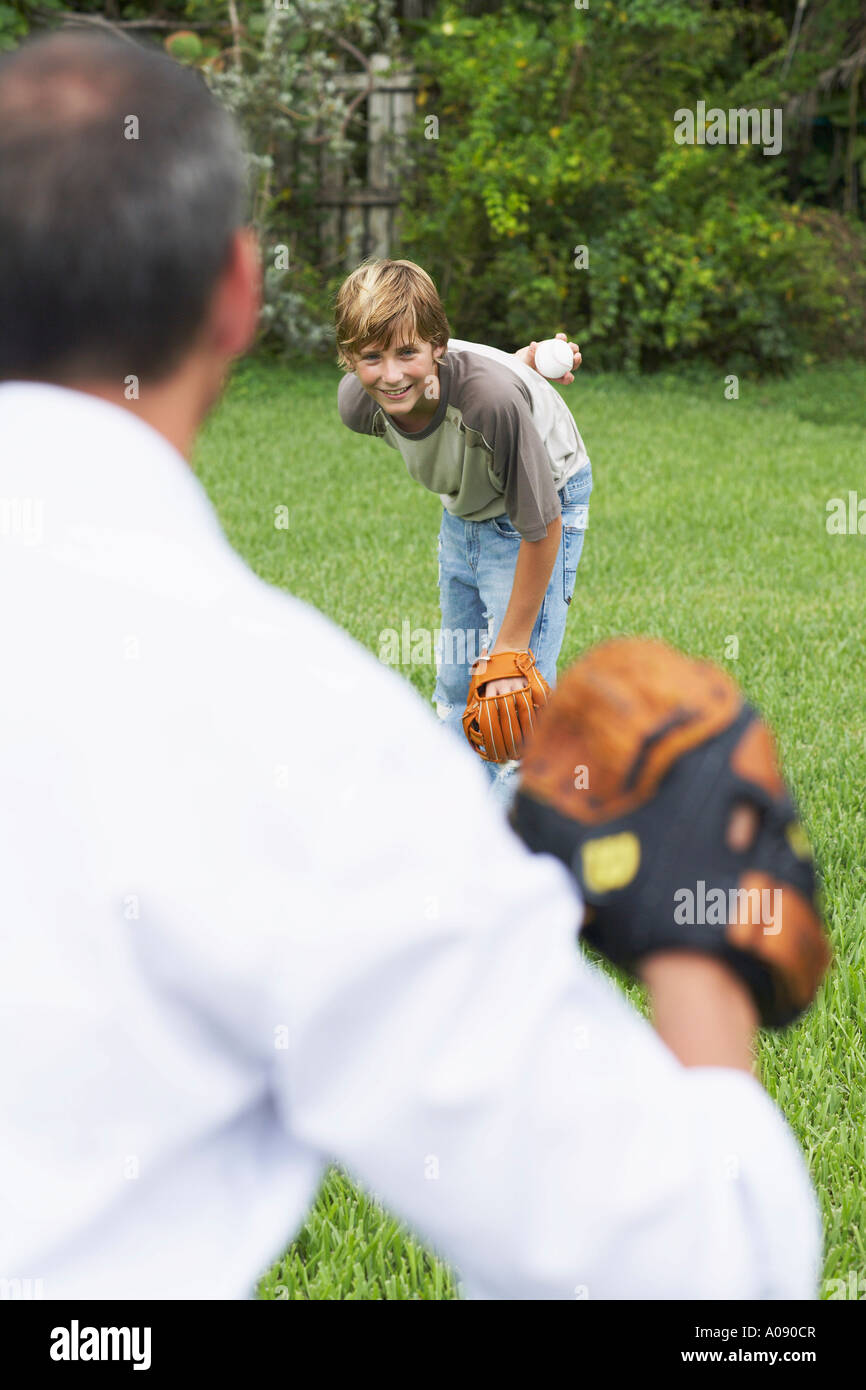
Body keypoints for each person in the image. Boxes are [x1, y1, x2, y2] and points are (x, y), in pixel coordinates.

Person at [0, 30, 821, 1300]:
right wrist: (696, 939)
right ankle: (494, 821)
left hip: (530, 503)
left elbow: (526, 498)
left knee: (492, 682)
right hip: (471, 509)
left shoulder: (461, 423)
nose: (383, 377)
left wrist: (510, 624)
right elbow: (703, 1273)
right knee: (460, 712)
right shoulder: (304, 740)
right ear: (234, 296)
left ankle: (492, 773)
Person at [335, 260, 593, 807]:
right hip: (466, 505)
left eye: (407, 354)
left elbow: (542, 526)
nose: (391, 374)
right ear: (349, 358)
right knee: (456, 689)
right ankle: (456, 833)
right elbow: (443, 365)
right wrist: (523, 364)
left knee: (512, 703)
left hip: (541, 502)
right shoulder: (359, 405)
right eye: (371, 358)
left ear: (437, 348)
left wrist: (510, 649)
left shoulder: (488, 404)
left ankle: (516, 866)